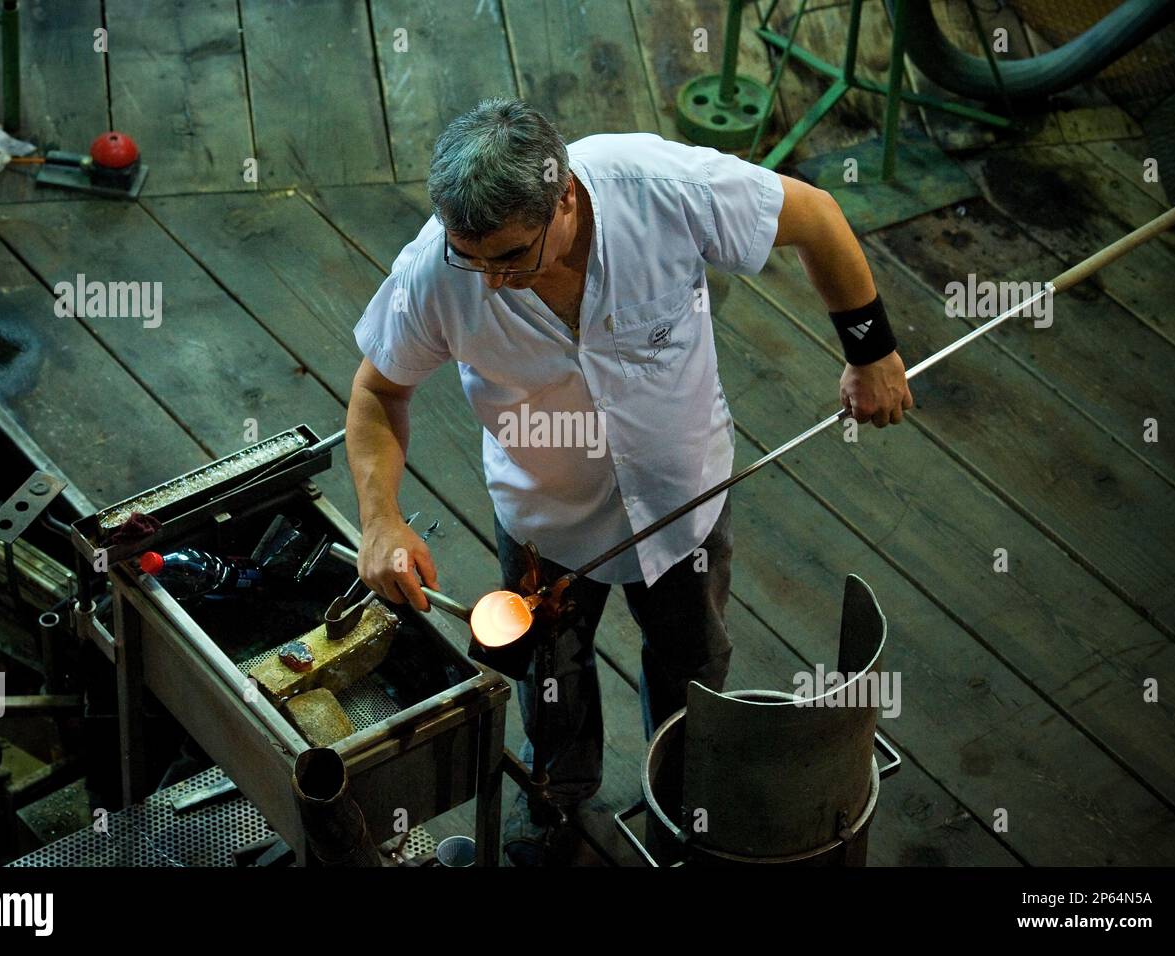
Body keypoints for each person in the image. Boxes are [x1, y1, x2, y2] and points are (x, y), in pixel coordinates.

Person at [345, 97, 913, 865]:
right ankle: (557, 803)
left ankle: (685, 804)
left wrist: (870, 348)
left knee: (693, 665)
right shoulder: (440, 273)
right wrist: (381, 520)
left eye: (511, 256)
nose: (490, 278)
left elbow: (814, 214)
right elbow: (379, 393)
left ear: (566, 197)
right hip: (546, 523)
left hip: (686, 505)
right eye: (468, 255)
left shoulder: (661, 186)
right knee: (553, 678)